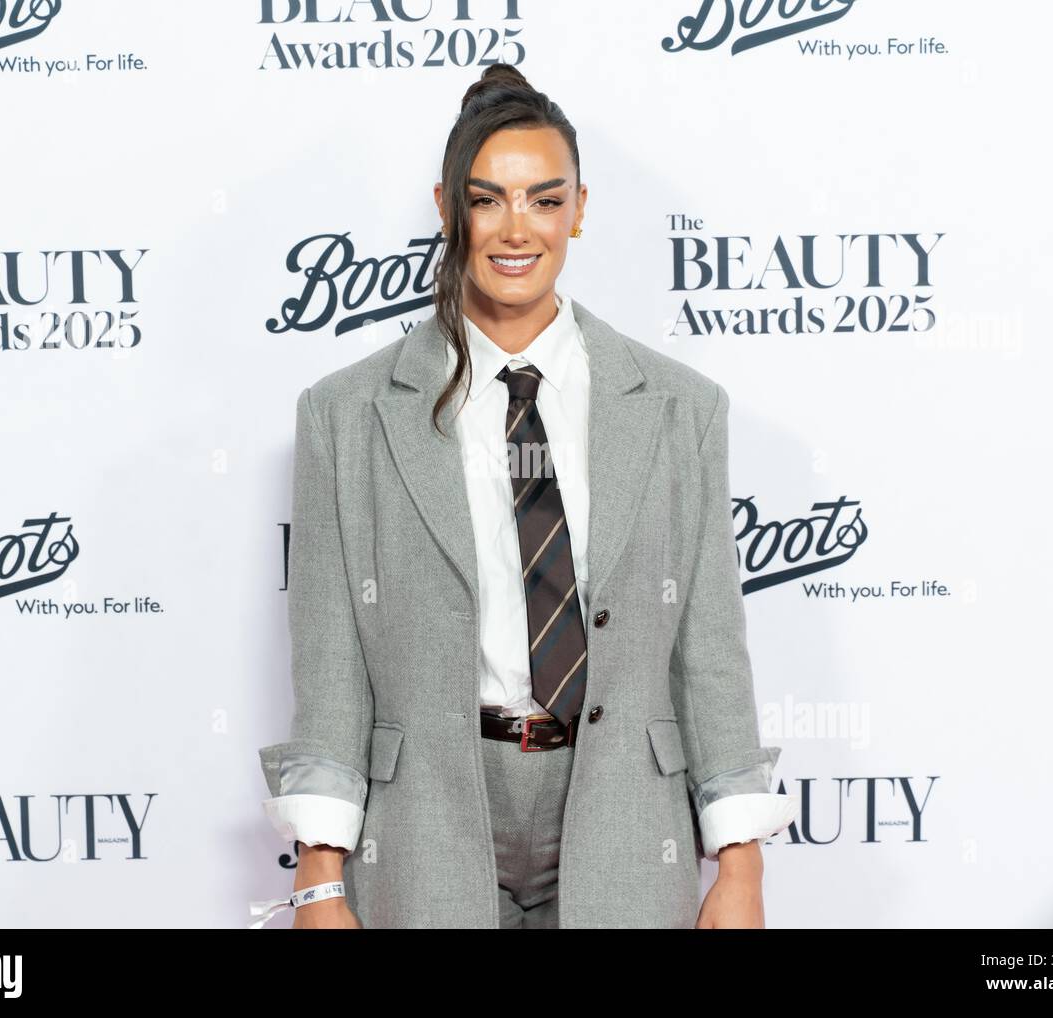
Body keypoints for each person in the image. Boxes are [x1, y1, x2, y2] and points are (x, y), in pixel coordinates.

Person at [249, 63, 797, 930]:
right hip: (425, 815)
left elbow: (711, 650)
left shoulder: (680, 408)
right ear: (446, 208)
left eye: (545, 200)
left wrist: (741, 864)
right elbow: (330, 664)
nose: (517, 229)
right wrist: (319, 879)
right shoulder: (344, 417)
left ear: (580, 208)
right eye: (487, 199)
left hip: (623, 808)